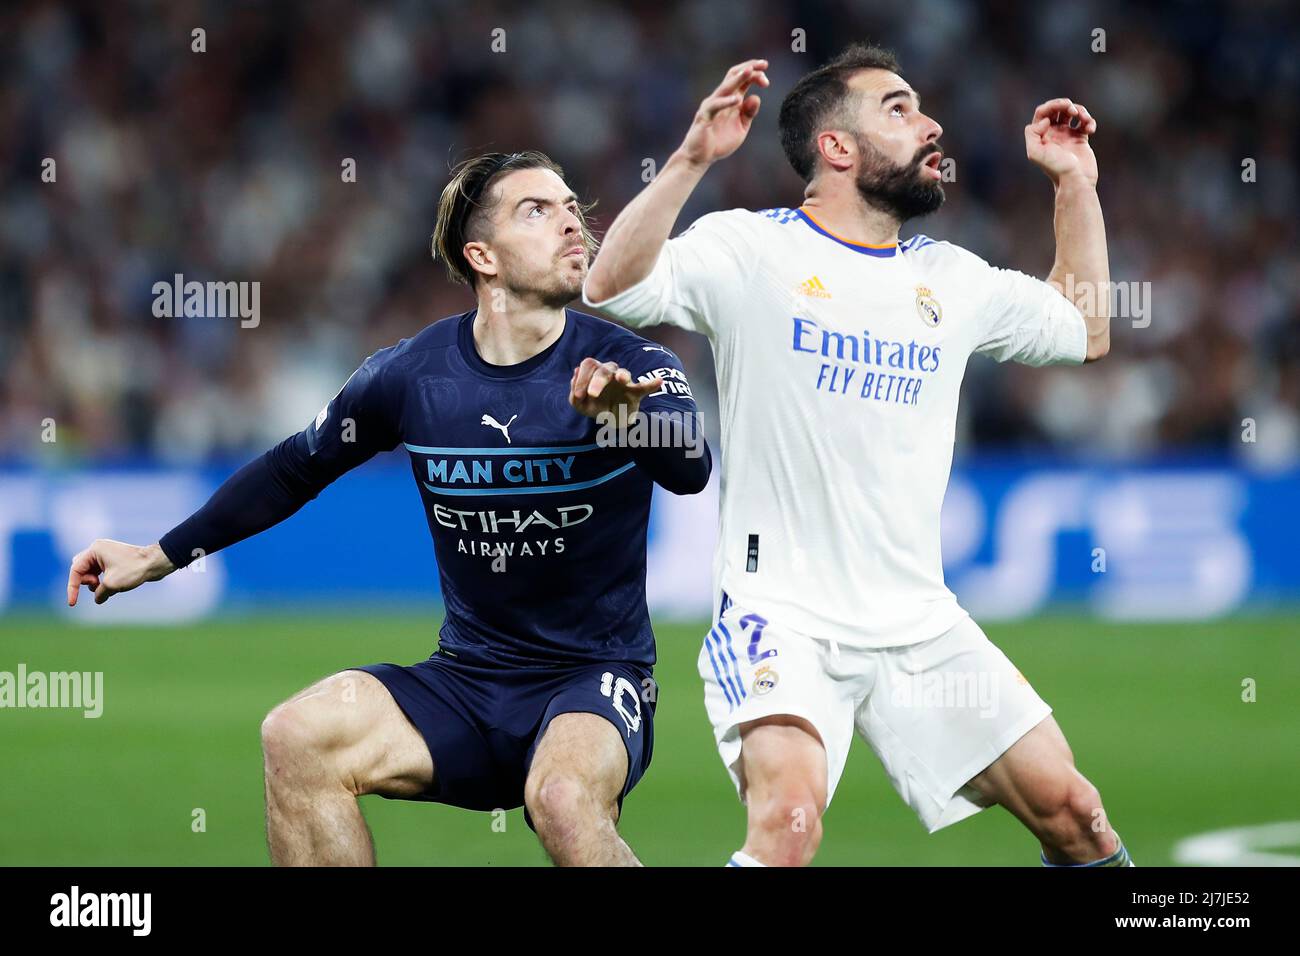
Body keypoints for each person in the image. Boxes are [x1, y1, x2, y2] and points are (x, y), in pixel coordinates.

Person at [67, 150, 712, 866]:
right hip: (467, 680)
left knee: (561, 798)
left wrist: (628, 419)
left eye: (571, 207)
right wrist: (158, 556)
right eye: (537, 211)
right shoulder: (412, 375)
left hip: (595, 679)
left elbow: (690, 469)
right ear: (482, 257)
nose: (571, 224)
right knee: (296, 736)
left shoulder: (635, 366)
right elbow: (294, 469)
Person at [583, 44, 1132, 867]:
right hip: (783, 617)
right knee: (789, 825)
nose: (932, 123)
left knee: (1076, 813)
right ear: (836, 148)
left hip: (919, 619)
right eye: (900, 109)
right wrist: (694, 156)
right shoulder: (749, 250)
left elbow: (1087, 326)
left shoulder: (952, 278)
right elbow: (611, 287)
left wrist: (1075, 183)